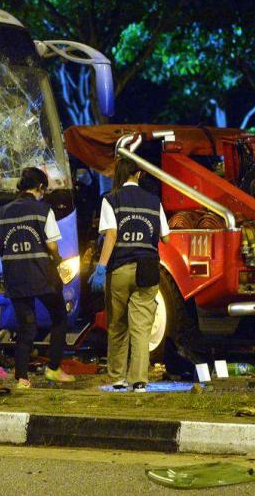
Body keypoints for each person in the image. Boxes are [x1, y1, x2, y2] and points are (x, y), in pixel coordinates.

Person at [88, 157, 170, 392]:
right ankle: (139, 381)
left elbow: (111, 235)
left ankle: (117, 377)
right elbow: (166, 237)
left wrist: (101, 267)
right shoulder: (154, 201)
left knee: (118, 324)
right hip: (148, 269)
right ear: (139, 175)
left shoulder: (111, 200)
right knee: (142, 327)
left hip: (120, 268)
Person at [0, 167, 75, 388]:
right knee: (59, 317)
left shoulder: (3, 212)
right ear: (40, 188)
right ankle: (54, 369)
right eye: (44, 190)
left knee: (25, 326)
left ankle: (22, 378)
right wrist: (57, 258)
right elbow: (51, 244)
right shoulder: (43, 210)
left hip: (15, 276)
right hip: (42, 275)